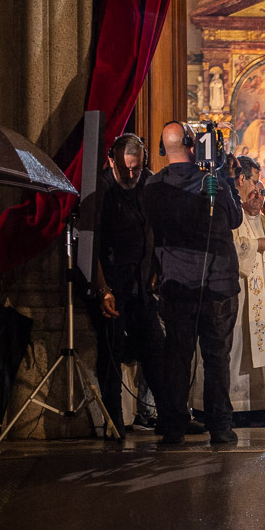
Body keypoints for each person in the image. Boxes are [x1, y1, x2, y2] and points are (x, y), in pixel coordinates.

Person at [143, 121, 243, 444]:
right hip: (218, 285)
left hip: (176, 285)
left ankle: (173, 428)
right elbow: (237, 218)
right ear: (192, 145)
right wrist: (224, 174)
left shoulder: (153, 188)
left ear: (163, 150)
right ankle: (221, 429)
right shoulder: (213, 182)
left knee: (177, 358)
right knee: (217, 359)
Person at [192, 158, 265, 425]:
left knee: (256, 352)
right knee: (232, 351)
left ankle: (255, 406)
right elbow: (220, 246)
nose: (258, 192)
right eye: (254, 183)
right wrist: (255, 245)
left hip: (260, 301)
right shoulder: (227, 211)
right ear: (240, 180)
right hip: (234, 295)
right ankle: (225, 407)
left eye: (261, 188)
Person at [92, 133, 163, 437]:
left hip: (141, 287)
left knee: (157, 350)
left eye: (138, 168)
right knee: (111, 355)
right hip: (113, 287)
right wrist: (102, 288)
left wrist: (155, 271)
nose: (132, 175)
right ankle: (114, 421)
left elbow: (155, 230)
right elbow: (91, 244)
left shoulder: (146, 184)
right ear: (112, 162)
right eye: (127, 169)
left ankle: (171, 415)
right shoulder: (102, 191)